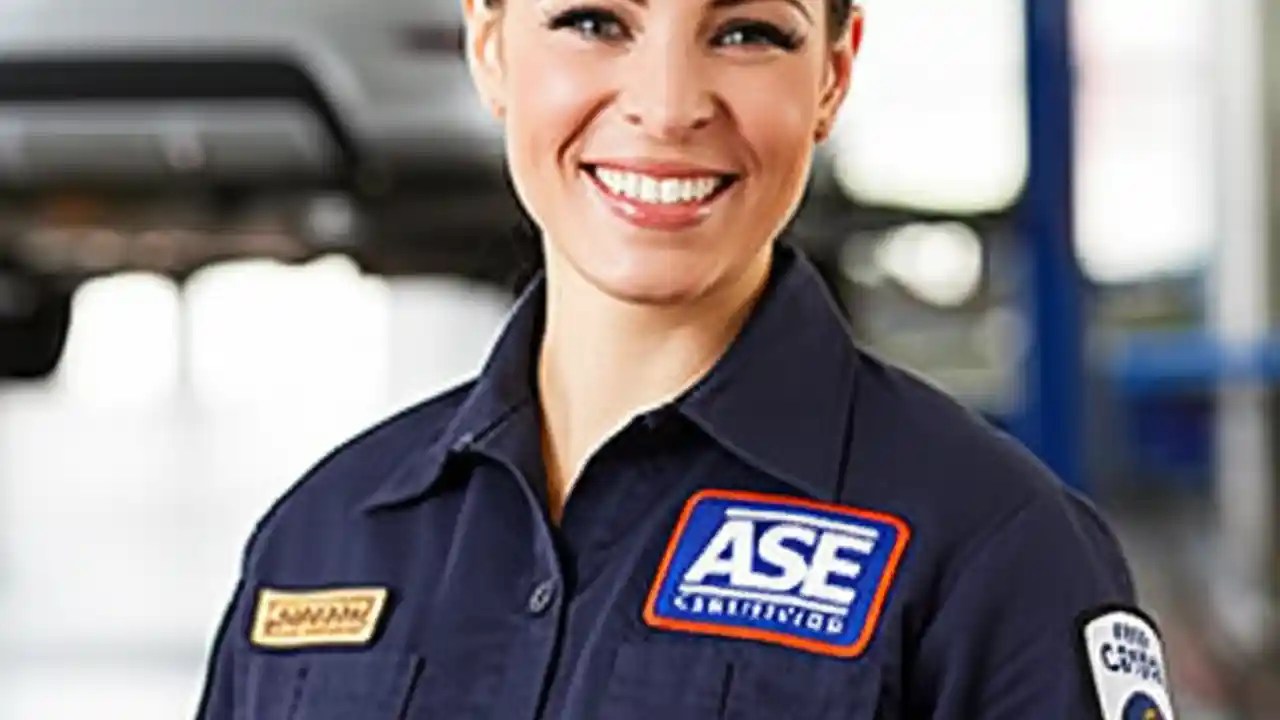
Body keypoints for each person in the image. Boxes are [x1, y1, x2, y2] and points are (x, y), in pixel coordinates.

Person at [195, 0, 1177, 717]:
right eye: (593, 21)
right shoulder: (320, 541)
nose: (667, 107)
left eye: (745, 32)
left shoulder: (993, 551)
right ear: (489, 47)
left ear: (832, 75)